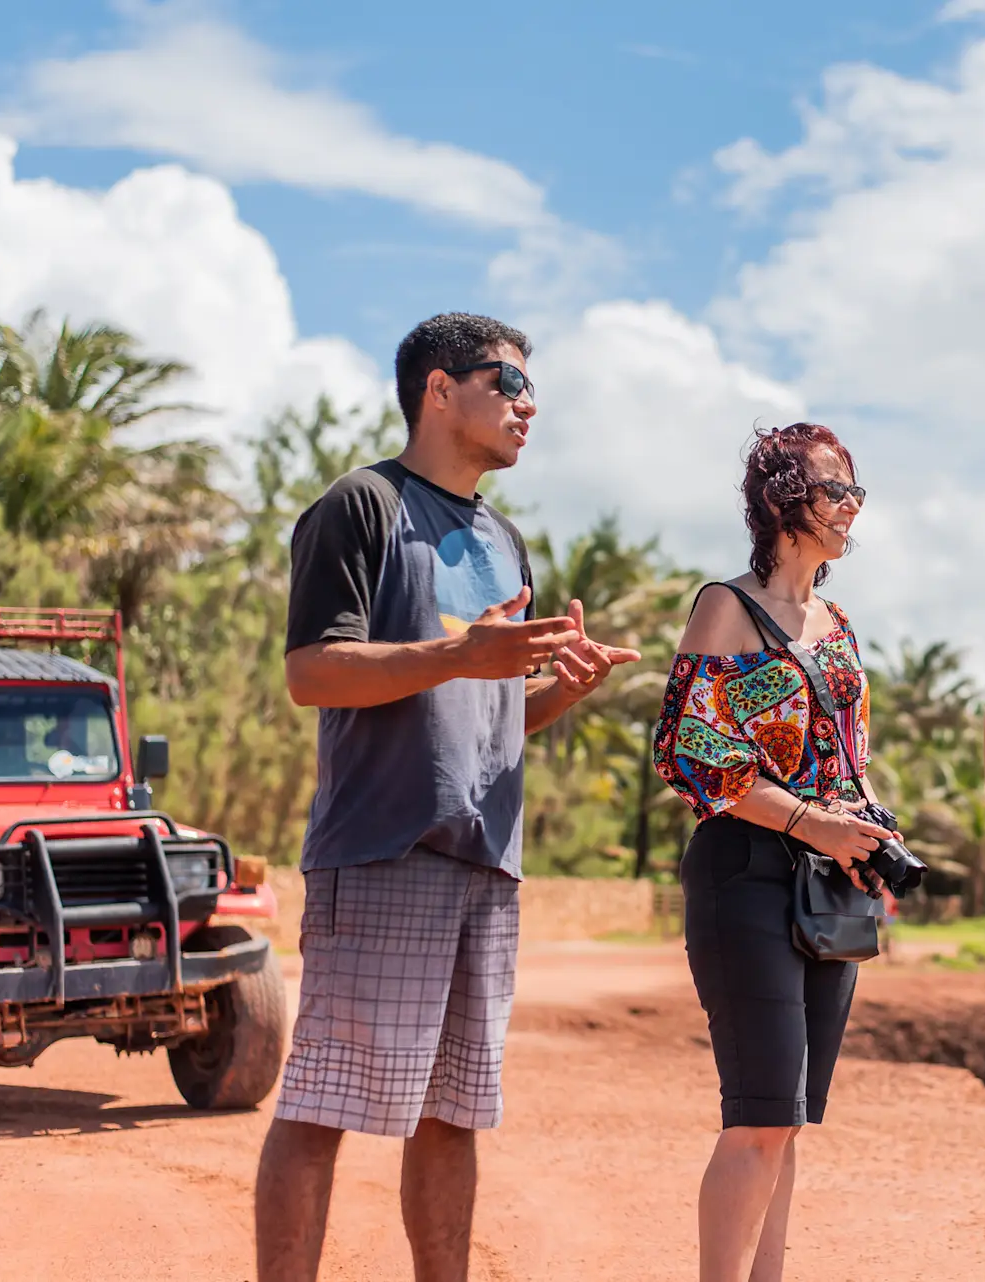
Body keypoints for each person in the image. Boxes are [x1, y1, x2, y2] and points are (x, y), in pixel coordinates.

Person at [255, 312, 640, 1282]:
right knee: (323, 1103)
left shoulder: (506, 541)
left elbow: (494, 712)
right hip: (381, 851)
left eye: (528, 387)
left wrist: (561, 691)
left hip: (485, 866)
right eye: (507, 382)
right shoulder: (361, 507)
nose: (528, 404)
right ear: (437, 388)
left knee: (452, 1110)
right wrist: (461, 653)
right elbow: (313, 672)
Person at [653, 422, 892, 1282]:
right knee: (757, 1115)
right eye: (835, 489)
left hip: (827, 884)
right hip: (745, 873)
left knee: (789, 1119)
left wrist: (864, 836)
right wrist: (808, 824)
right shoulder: (727, 606)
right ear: (783, 500)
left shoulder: (838, 623)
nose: (850, 506)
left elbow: (847, 760)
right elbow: (691, 757)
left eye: (855, 490)